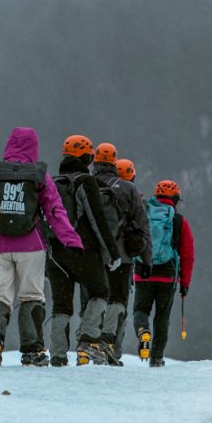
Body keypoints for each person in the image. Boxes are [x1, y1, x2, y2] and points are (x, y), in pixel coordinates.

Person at [0, 127, 82, 366]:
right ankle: (32, 351)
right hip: (31, 246)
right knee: (31, 295)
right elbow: (55, 211)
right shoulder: (39, 175)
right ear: (34, 147)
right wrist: (71, 240)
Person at [46, 135, 123, 366]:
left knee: (61, 304)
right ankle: (88, 339)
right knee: (100, 291)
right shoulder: (85, 182)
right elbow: (97, 219)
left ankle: (57, 355)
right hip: (84, 250)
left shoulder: (52, 182)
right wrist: (112, 253)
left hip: (55, 251)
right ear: (87, 157)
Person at [84, 144, 150, 363]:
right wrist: (146, 260)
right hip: (122, 255)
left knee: (93, 298)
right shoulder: (128, 189)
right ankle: (108, 343)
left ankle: (87, 344)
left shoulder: (87, 183)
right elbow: (143, 227)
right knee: (117, 300)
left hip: (92, 253)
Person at [133, 179, 194, 367]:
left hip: (144, 271)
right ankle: (156, 358)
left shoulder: (143, 213)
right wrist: (185, 284)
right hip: (167, 276)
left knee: (140, 310)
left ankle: (143, 330)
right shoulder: (179, 221)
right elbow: (187, 255)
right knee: (162, 317)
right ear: (175, 199)